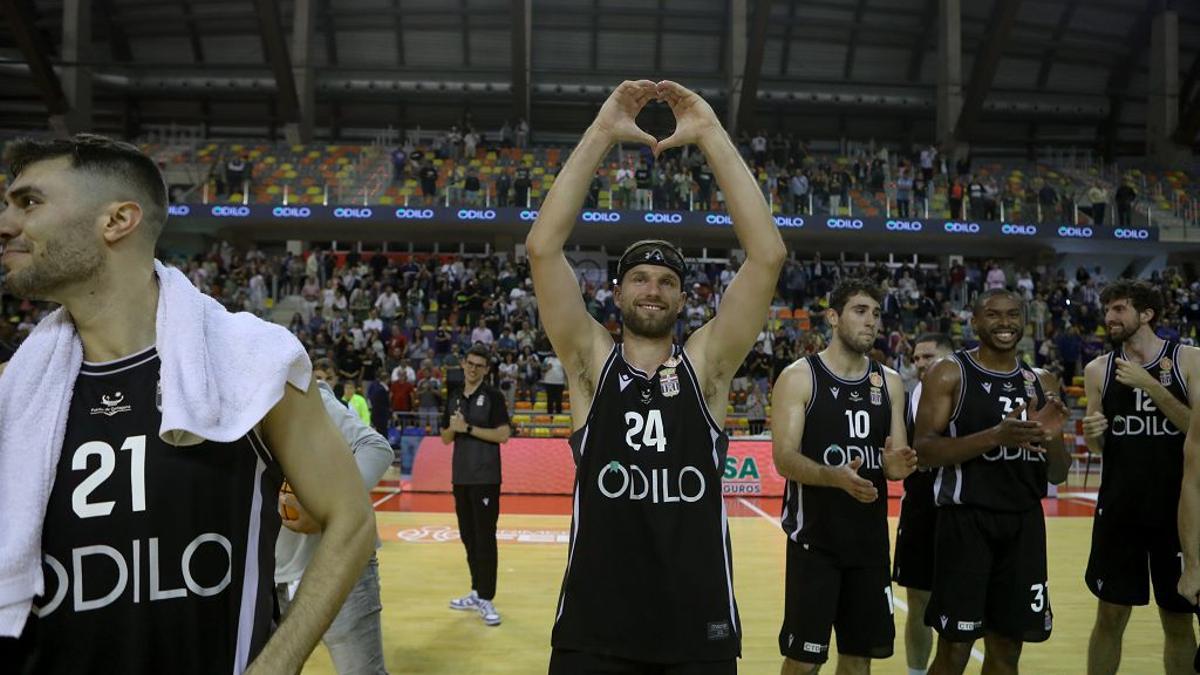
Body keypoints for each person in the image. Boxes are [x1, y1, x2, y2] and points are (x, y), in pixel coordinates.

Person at [0, 135, 375, 672]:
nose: (6, 223)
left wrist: (277, 664)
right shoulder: (14, 391)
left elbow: (352, 519)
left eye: (28, 202)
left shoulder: (252, 366)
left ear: (117, 221)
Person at [527, 80, 785, 673]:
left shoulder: (707, 367)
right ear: (615, 293)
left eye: (666, 281)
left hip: (697, 626)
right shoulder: (590, 363)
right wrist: (601, 131)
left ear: (683, 298)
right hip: (595, 627)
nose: (652, 288)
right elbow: (543, 248)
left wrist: (712, 135)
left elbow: (767, 255)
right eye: (639, 278)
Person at [914, 289, 1071, 675]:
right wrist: (995, 437)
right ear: (975, 322)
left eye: (1013, 315)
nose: (1005, 323)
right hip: (966, 522)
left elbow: (1058, 473)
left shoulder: (1042, 380)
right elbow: (925, 451)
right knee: (955, 648)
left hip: (1024, 525)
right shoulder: (950, 372)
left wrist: (1051, 439)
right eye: (994, 315)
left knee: (1007, 649)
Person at [771, 279, 917, 674]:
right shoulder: (799, 377)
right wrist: (832, 477)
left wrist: (897, 467)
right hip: (815, 543)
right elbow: (784, 459)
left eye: (876, 313)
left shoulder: (889, 382)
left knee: (858, 660)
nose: (871, 321)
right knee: (803, 661)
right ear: (833, 317)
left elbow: (893, 459)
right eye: (860, 310)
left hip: (869, 544)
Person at [1081, 280, 1199, 675]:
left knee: (1179, 620)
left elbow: (1194, 429)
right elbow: (1102, 447)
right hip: (1120, 511)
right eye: (1108, 310)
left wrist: (1151, 385)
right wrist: (1093, 436)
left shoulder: (1188, 361)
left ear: (1146, 314)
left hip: (1178, 514)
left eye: (1119, 309)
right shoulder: (1098, 369)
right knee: (1110, 617)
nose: (1109, 318)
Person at [275, 358, 392, 675]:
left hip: (335, 560)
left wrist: (329, 505)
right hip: (268, 575)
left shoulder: (300, 394)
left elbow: (376, 447)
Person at [892, 333, 955, 675]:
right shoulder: (909, 396)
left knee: (961, 599)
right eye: (916, 358)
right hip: (919, 506)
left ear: (950, 359)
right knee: (917, 598)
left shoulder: (967, 393)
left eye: (928, 357)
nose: (920, 364)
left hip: (961, 508)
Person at [439, 345, 511, 627]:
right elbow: (445, 437)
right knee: (468, 536)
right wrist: (453, 428)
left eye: (478, 365)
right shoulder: (455, 395)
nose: (472, 368)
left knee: (485, 538)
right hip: (461, 477)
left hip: (486, 478)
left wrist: (468, 428)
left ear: (486, 369)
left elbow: (504, 435)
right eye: (469, 363)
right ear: (463, 363)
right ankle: (475, 590)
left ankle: (487, 597)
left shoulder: (493, 396)